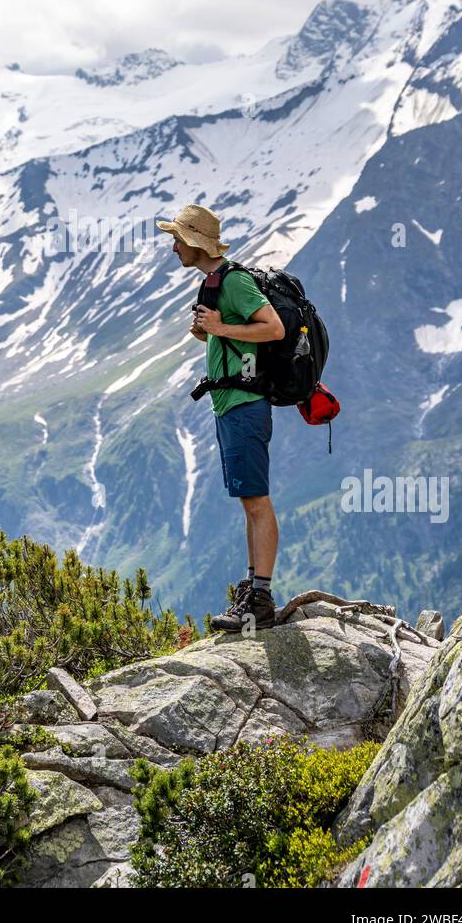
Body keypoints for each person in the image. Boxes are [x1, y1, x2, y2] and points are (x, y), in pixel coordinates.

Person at [157, 205, 285, 630]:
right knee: (248, 501)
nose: (174, 248)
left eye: (178, 240)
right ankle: (253, 592)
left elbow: (274, 328)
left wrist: (221, 328)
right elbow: (229, 337)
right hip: (230, 403)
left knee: (256, 501)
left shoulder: (234, 282)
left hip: (246, 404)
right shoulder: (212, 284)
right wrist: (208, 331)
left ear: (195, 242)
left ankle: (261, 600)